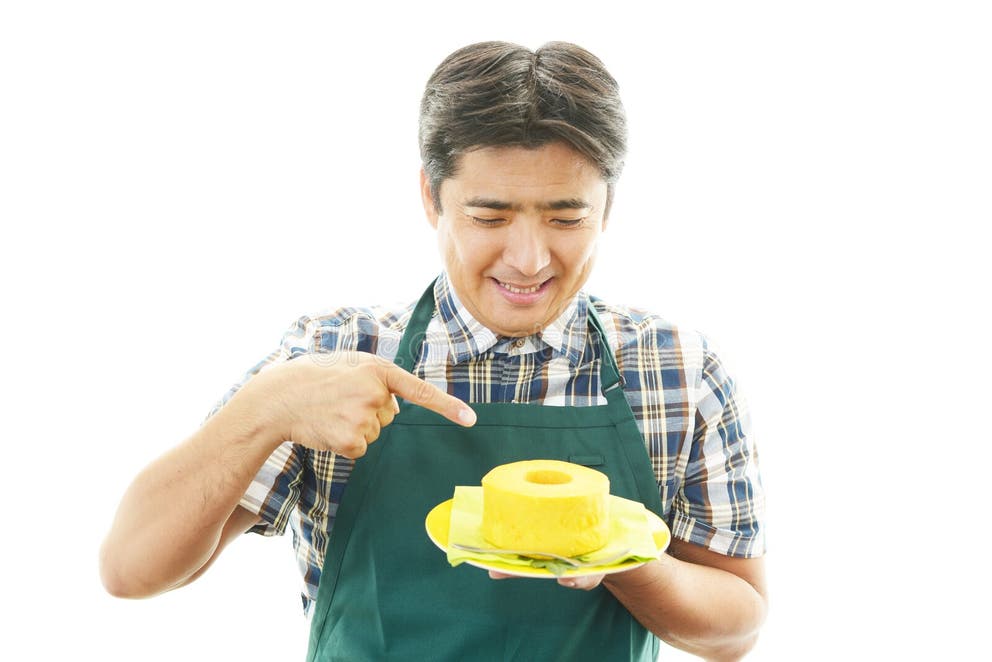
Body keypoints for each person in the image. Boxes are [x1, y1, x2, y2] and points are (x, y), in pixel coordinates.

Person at [100, 41, 767, 661]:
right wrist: (266, 409)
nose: (529, 258)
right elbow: (131, 569)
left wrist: (621, 557)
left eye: (566, 218)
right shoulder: (333, 355)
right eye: (489, 216)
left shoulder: (677, 369)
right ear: (431, 196)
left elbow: (737, 629)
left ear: (608, 206)